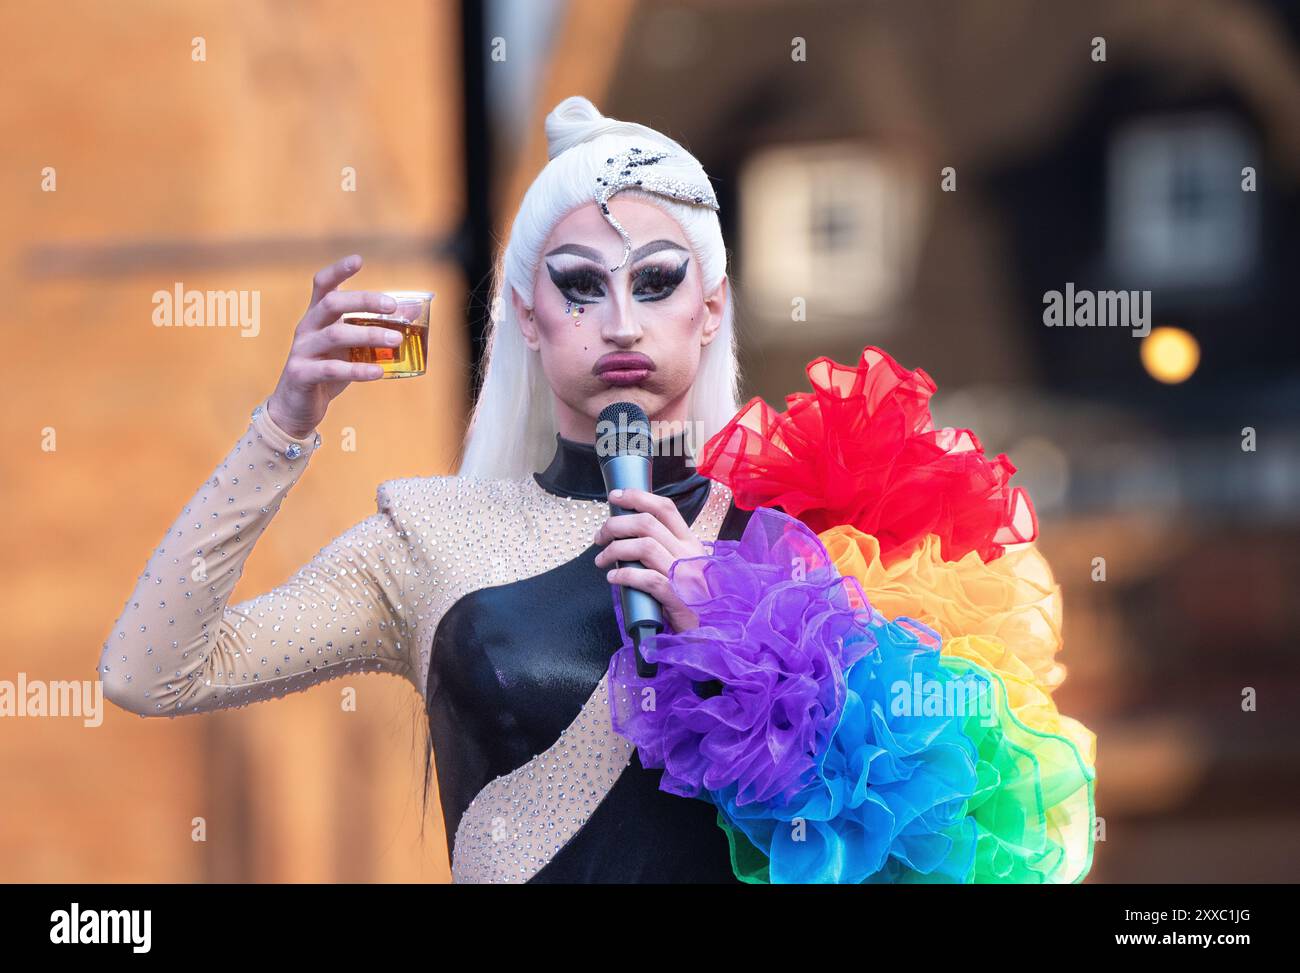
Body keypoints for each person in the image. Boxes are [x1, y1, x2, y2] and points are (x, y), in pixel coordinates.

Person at [100, 96, 1096, 884]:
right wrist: (285, 424)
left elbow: (928, 842)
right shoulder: (429, 539)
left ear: (709, 311)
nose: (620, 321)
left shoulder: (804, 531)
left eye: (655, 281)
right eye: (581, 284)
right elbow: (151, 669)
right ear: (529, 317)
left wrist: (738, 626)